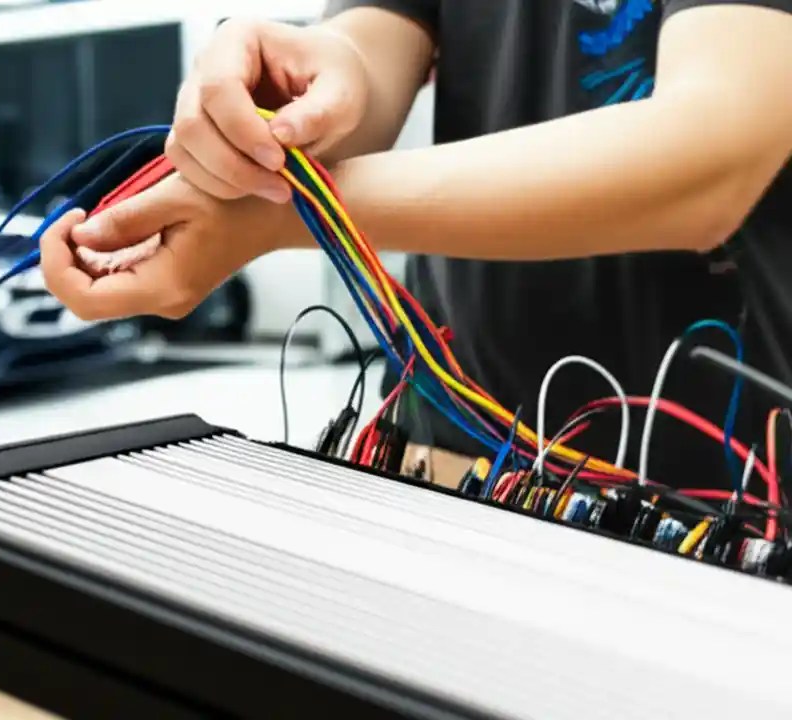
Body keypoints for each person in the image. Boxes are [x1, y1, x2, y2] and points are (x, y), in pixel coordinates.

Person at [40, 1, 792, 489]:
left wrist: (288, 215)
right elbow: (363, 63)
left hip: (731, 490)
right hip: (454, 450)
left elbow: (713, 157)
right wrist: (293, 83)